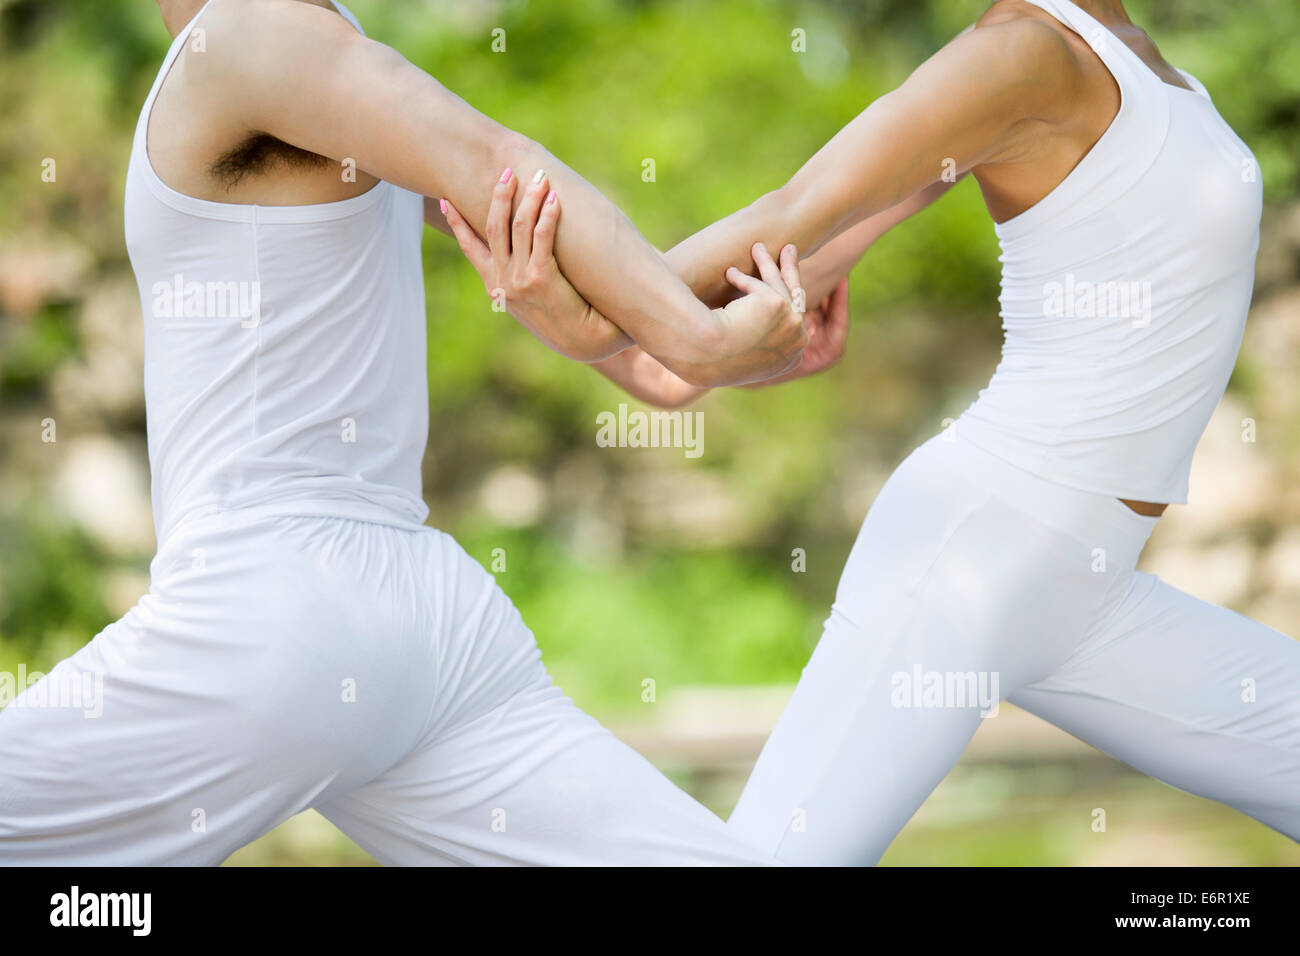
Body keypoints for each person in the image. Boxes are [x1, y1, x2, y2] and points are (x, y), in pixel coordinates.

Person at [456, 0, 1300, 865]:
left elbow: (700, 347)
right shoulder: (1025, 54)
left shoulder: (1155, 67)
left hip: (1091, 588)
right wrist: (591, 324)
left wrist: (673, 343)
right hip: (975, 553)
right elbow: (783, 224)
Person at [0, 0, 814, 865]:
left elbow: (504, 167)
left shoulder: (246, 34)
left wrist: (697, 340)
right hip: (430, 638)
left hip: (270, 609)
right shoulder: (310, 47)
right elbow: (516, 215)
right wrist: (667, 351)